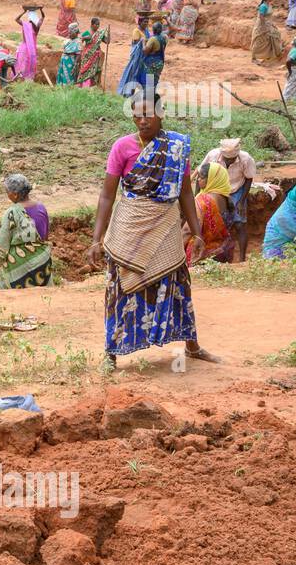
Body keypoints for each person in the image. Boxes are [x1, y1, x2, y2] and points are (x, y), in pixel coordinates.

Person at [88, 96, 217, 370]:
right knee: (119, 286)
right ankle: (111, 354)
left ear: (161, 114)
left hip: (166, 225)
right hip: (129, 226)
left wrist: (197, 233)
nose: (142, 120)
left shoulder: (176, 147)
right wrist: (96, 239)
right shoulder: (122, 147)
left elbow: (184, 192)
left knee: (178, 285)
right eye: (137, 116)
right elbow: (107, 196)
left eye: (148, 114)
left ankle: (191, 347)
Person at [0, 173, 52, 289]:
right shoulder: (41, 207)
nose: (7, 195)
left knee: (6, 295)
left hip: (21, 266)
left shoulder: (11, 213)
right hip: (43, 263)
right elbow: (45, 238)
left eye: (8, 192)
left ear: (15, 195)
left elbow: (1, 247)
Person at [201, 138, 258, 262]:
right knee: (215, 224)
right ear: (222, 154)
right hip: (216, 190)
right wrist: (199, 197)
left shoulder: (246, 159)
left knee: (239, 224)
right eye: (227, 159)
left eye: (232, 159)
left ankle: (242, 260)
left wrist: (242, 201)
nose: (229, 161)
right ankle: (213, 257)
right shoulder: (212, 156)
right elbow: (202, 174)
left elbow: (249, 179)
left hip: (236, 190)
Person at [184, 162, 234, 265]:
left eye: (201, 177)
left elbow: (187, 230)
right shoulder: (228, 199)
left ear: (211, 179)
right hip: (222, 252)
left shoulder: (203, 201)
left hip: (201, 253)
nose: (198, 180)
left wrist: (175, 250)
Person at [116, 11, 150, 97]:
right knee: (133, 73)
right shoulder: (136, 31)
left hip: (144, 57)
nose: (146, 23)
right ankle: (128, 93)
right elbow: (136, 44)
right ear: (140, 22)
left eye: (147, 22)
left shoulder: (146, 31)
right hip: (137, 58)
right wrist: (144, 41)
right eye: (144, 22)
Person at [250, 0, 284, 64]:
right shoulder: (263, 6)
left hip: (268, 24)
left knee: (275, 35)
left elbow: (269, 17)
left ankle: (270, 55)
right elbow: (261, 17)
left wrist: (272, 24)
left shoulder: (269, 5)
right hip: (261, 26)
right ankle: (254, 58)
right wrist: (264, 27)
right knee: (259, 41)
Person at [76, 18, 109, 87]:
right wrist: (85, 38)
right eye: (96, 24)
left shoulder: (99, 34)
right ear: (91, 24)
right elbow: (80, 42)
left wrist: (108, 34)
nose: (97, 26)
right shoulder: (87, 33)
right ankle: (84, 85)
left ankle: (93, 85)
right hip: (87, 56)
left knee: (95, 71)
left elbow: (107, 41)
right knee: (85, 70)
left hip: (96, 56)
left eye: (98, 24)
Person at [14, 6, 42, 80]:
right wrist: (41, 10)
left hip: (24, 48)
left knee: (22, 64)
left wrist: (24, 12)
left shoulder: (25, 24)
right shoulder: (37, 26)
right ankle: (28, 79)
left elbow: (16, 19)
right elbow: (43, 17)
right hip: (32, 49)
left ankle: (19, 78)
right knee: (30, 64)